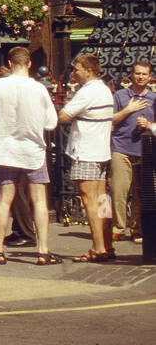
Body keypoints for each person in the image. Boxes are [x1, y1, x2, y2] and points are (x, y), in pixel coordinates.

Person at [0, 47, 59, 264]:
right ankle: (43, 251)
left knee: (4, 200)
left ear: (9, 63)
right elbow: (51, 122)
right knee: (39, 200)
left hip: (5, 149)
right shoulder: (39, 89)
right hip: (32, 150)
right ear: (30, 64)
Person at [60, 53, 116, 262]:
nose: (74, 73)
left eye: (77, 69)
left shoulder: (87, 92)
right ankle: (107, 245)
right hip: (101, 150)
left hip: (85, 150)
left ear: (89, 70)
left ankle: (98, 248)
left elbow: (64, 115)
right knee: (102, 199)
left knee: (88, 199)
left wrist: (70, 109)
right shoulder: (104, 89)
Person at [111, 61, 153, 244]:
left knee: (140, 193)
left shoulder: (154, 99)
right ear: (132, 75)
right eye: (137, 73)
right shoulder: (120, 96)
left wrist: (148, 125)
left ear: (150, 77)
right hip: (121, 147)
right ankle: (118, 228)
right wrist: (129, 110)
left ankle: (136, 228)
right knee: (119, 190)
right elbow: (111, 120)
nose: (140, 77)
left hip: (145, 150)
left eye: (144, 74)